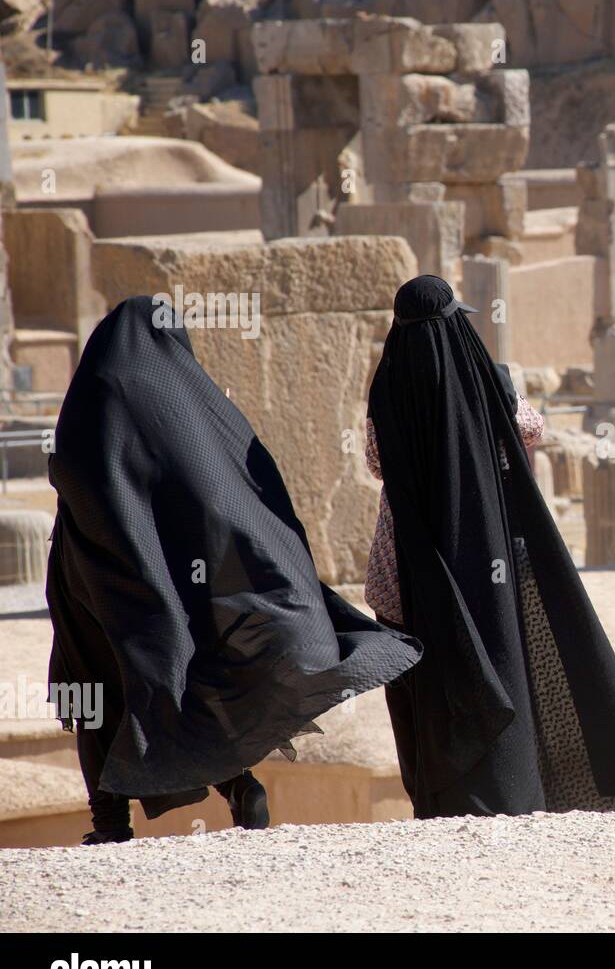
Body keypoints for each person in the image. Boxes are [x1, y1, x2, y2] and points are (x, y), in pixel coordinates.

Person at [47, 296, 422, 844]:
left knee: (96, 687)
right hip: (177, 582)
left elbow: (71, 476)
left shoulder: (91, 399)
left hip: (95, 577)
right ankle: (237, 784)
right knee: (194, 678)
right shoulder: (190, 408)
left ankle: (109, 825)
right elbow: (238, 496)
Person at [366, 275, 615, 817]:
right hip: (487, 555)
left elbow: (376, 463)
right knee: (503, 663)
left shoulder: (387, 388)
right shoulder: (485, 382)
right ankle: (510, 789)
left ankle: (441, 796)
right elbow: (530, 429)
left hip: (407, 564)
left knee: (428, 682)